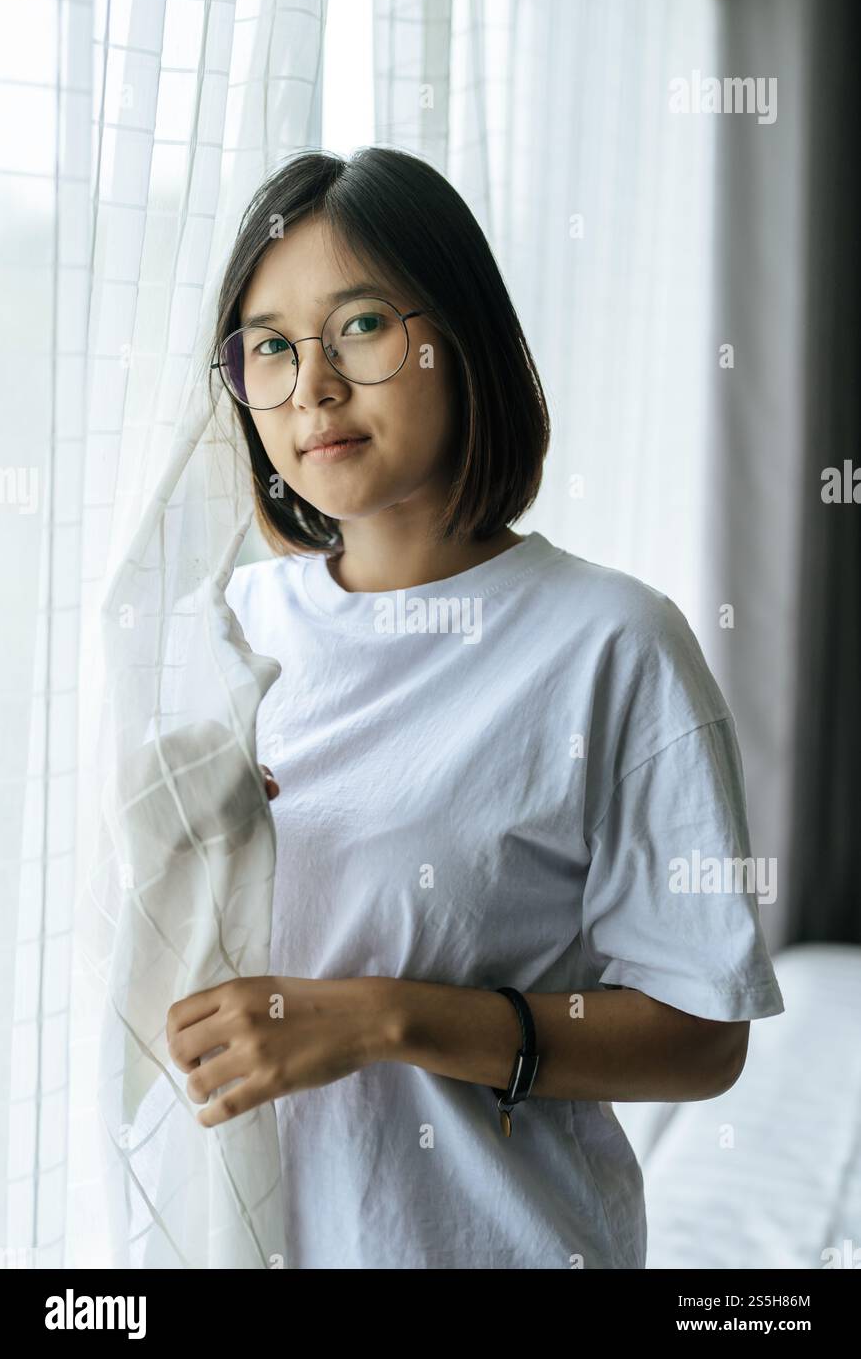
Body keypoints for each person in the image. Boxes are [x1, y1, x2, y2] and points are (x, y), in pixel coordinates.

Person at [167, 145, 784, 1270]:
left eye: (359, 325)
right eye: (269, 347)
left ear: (461, 336)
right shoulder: (223, 634)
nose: (312, 387)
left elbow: (702, 1038)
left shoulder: (609, 640)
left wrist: (379, 1017)